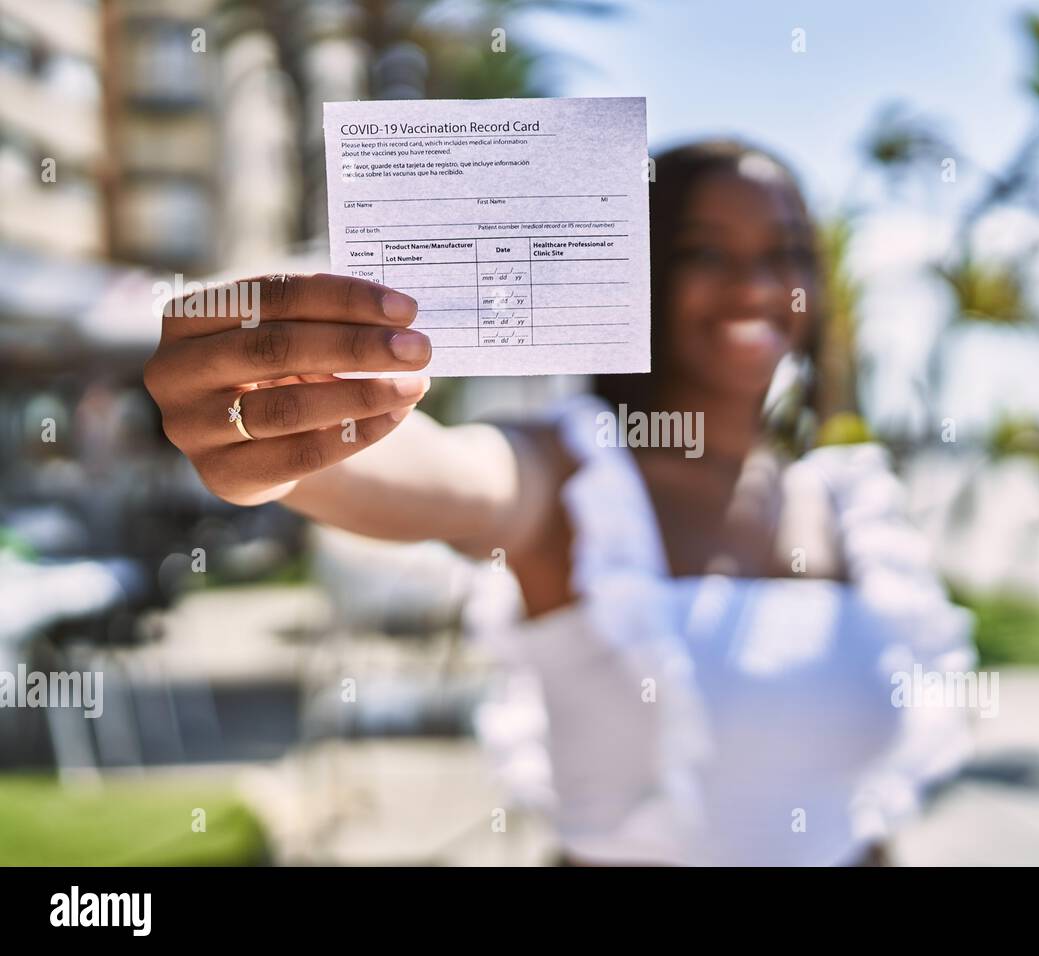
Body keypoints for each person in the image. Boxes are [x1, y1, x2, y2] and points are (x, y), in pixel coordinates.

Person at [144, 139, 976, 866]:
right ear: (635, 273)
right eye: (705, 252)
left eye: (786, 251)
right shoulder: (574, 473)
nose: (756, 287)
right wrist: (271, 432)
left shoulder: (842, 499)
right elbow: (456, 476)